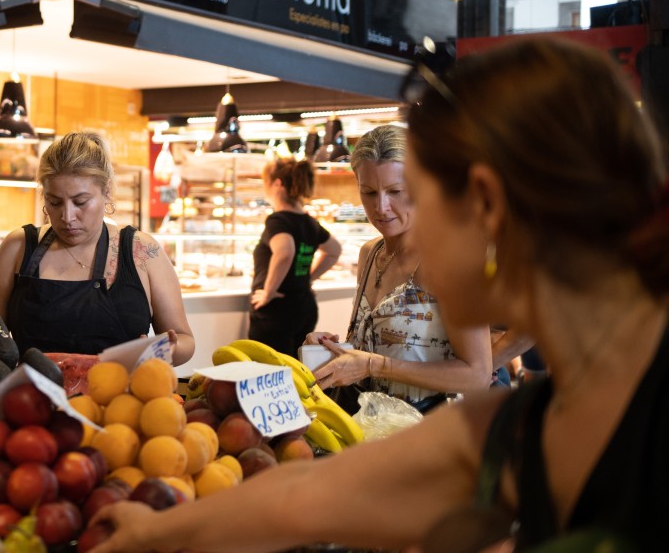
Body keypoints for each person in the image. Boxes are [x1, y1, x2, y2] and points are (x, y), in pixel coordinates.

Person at [91, 38, 669, 552]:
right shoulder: (530, 424)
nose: (396, 218)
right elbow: (309, 496)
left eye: (422, 197)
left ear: (486, 205)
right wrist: (157, 534)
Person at [305, 124, 492, 414]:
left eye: (396, 191)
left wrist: (372, 366)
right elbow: (382, 345)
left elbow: (477, 374)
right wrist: (337, 350)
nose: (381, 206)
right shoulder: (371, 253)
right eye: (368, 192)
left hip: (427, 434)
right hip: (366, 426)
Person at [0, 132, 195, 365]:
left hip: (121, 399)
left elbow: (184, 340)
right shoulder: (18, 248)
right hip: (32, 398)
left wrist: (166, 349)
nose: (67, 216)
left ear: (107, 192)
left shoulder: (141, 252)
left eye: (80, 202)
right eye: (54, 202)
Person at [248, 158, 342, 357]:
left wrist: (268, 291)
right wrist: (307, 279)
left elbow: (285, 252)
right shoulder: (309, 222)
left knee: (270, 375)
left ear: (278, 184)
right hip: (304, 307)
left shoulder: (279, 219)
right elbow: (334, 250)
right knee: (296, 371)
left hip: (276, 312)